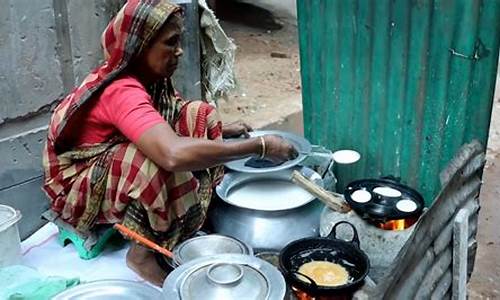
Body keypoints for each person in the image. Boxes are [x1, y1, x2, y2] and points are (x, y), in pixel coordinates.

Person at [42, 0, 297, 286]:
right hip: (75, 183)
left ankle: (190, 219)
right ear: (141, 46)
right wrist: (260, 146)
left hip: (107, 161)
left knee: (200, 114)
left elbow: (170, 119)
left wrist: (223, 131)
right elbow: (172, 155)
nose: (179, 51)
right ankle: (141, 257)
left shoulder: (150, 79)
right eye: (170, 43)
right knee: (150, 163)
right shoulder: (121, 90)